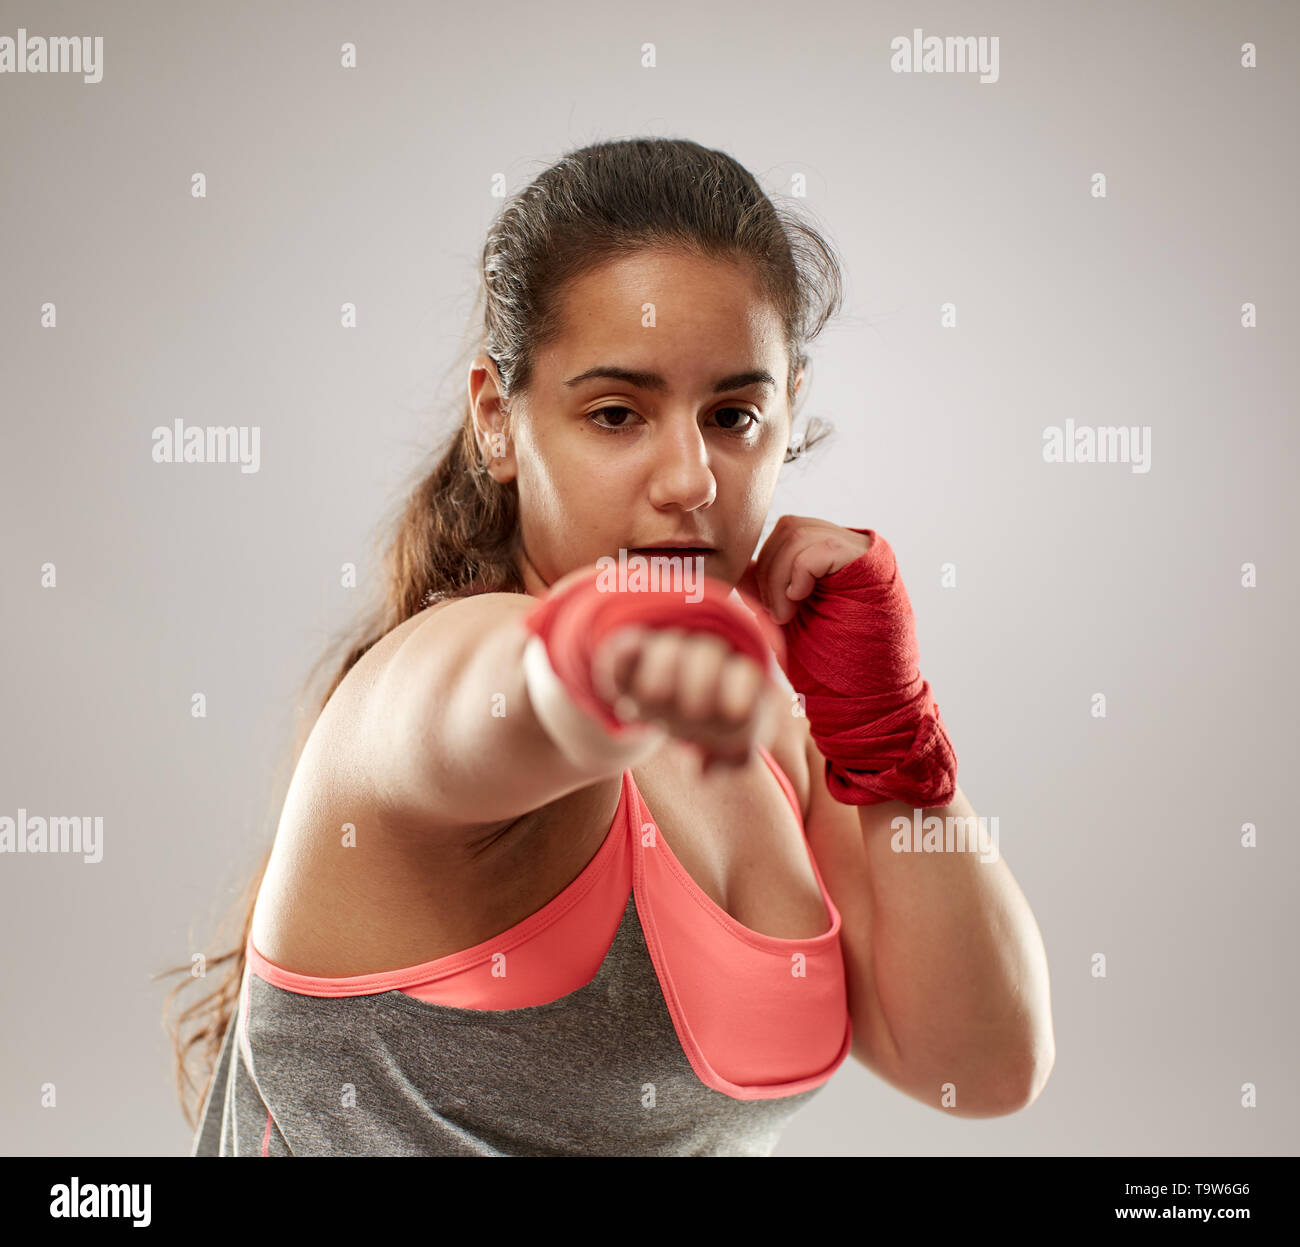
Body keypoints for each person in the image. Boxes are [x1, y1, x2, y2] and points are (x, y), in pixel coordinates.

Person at [163, 136, 1055, 1157]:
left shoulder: (767, 733)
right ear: (498, 419)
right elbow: (497, 706)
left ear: (788, 414)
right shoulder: (425, 677)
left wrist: (891, 731)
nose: (689, 478)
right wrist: (594, 658)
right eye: (617, 413)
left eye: (733, 414)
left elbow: (979, 1065)